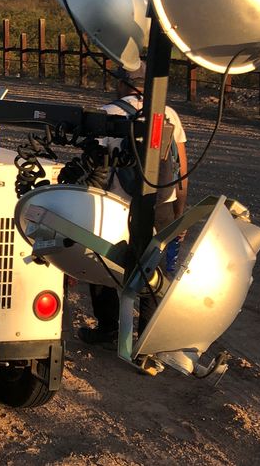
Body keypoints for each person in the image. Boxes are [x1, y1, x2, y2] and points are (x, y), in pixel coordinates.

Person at [78, 62, 189, 345]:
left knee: (102, 262)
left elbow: (92, 166)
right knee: (155, 269)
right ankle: (147, 337)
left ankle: (108, 328)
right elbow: (181, 169)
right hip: (160, 203)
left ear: (122, 82)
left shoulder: (107, 113)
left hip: (116, 203)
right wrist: (179, 214)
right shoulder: (170, 114)